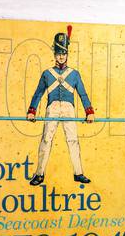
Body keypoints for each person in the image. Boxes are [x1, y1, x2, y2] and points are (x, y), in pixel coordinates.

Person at [26, 25, 94, 185]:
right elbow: (38, 93)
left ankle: (78, 173)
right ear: (54, 54)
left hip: (69, 109)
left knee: (73, 140)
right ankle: (39, 174)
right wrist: (32, 110)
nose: (61, 56)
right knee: (46, 140)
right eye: (58, 53)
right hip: (53, 108)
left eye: (64, 53)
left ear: (67, 54)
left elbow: (82, 94)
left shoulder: (74, 74)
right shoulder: (47, 74)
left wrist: (89, 111)